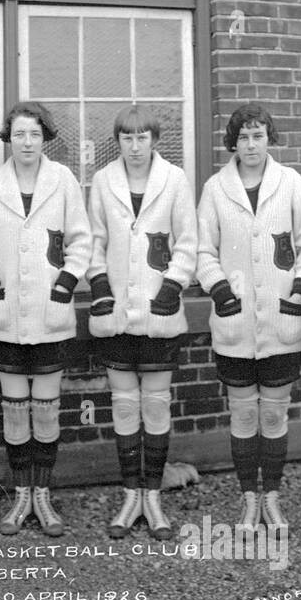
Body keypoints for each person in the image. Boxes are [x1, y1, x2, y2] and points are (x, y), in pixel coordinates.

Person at [0, 101, 90, 537]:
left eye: (34, 135)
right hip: (7, 314)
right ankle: (21, 496)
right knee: (16, 412)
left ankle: (44, 495)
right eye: (19, 134)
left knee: (47, 411)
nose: (27, 143)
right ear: (8, 137)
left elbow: (80, 240)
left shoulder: (63, 181)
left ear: (45, 138)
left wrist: (65, 284)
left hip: (50, 311)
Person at [196, 102, 301, 537]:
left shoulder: (292, 184)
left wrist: (300, 289)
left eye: (258, 135)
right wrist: (219, 289)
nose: (251, 144)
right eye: (243, 137)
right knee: (244, 417)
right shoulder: (215, 189)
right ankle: (248, 498)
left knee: (274, 417)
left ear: (269, 138)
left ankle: (272, 498)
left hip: (282, 321)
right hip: (235, 321)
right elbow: (201, 250)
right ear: (234, 142)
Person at [86, 105, 197, 540]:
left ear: (154, 140)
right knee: (124, 406)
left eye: (142, 137)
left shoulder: (174, 180)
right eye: (126, 139)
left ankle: (153, 495)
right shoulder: (103, 181)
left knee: (154, 404)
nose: (135, 146)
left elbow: (187, 242)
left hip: (158, 312)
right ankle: (130, 494)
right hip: (116, 312)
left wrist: (171, 288)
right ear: (118, 142)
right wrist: (99, 286)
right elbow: (93, 242)